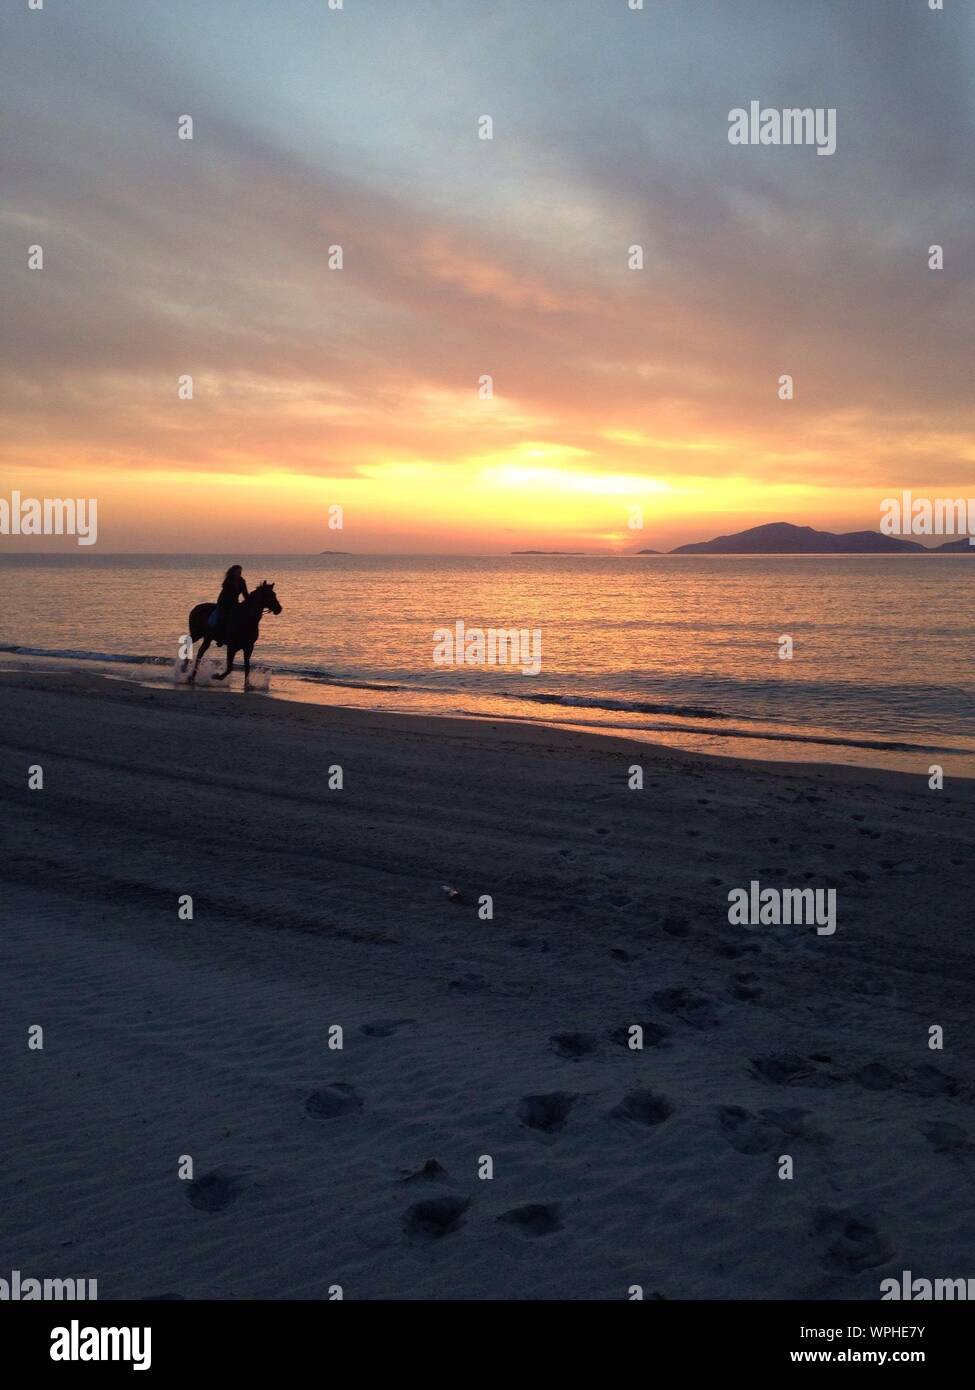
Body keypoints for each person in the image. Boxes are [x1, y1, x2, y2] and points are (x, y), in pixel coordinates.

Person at [210, 565, 248, 641]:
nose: (239, 573)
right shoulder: (228, 580)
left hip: (235, 602)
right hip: (224, 601)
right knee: (224, 616)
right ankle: (220, 635)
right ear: (233, 572)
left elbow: (245, 594)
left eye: (240, 572)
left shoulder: (242, 581)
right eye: (237, 572)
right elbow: (227, 594)